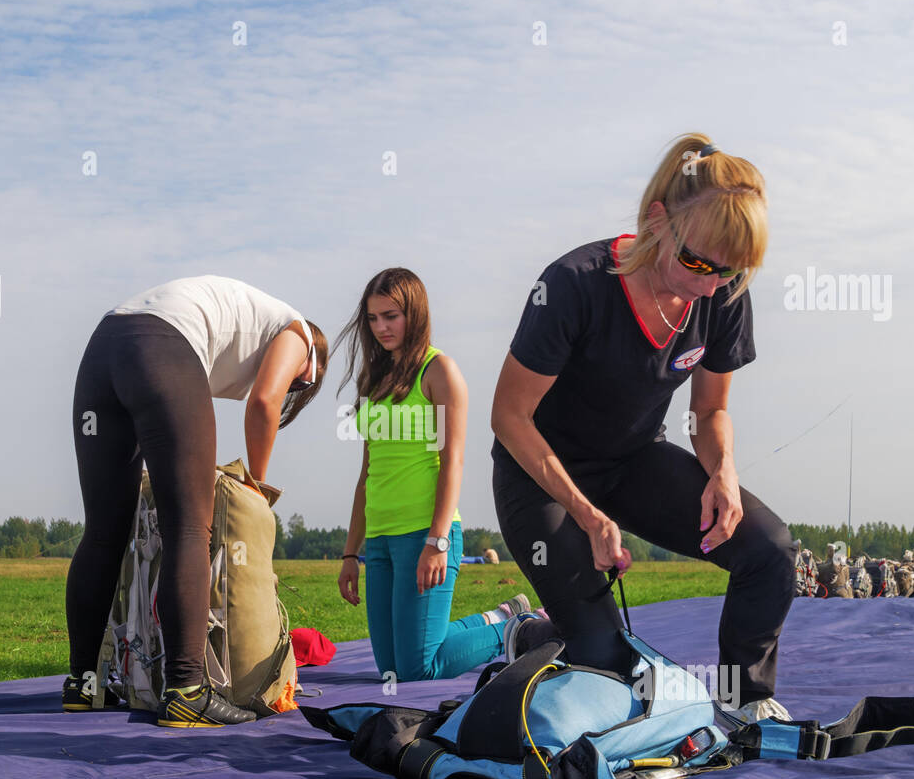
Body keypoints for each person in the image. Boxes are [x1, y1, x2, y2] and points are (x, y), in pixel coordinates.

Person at [489, 133, 797, 724]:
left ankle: (742, 703)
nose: (710, 285)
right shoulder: (574, 284)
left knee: (770, 551)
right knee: (609, 670)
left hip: (632, 462)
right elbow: (509, 417)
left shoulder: (721, 289)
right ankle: (532, 636)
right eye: (697, 263)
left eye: (730, 271)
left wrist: (723, 472)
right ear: (659, 221)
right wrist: (586, 515)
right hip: (542, 476)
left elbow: (708, 412)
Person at [64, 275, 327, 726]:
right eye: (301, 387)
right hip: (162, 347)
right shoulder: (301, 336)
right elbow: (264, 402)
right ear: (311, 370)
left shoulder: (241, 321)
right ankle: (187, 690)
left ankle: (84, 686)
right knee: (188, 527)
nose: (294, 388)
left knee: (104, 531)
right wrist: (258, 488)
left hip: (102, 351)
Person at [335, 268, 530, 682]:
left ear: (415, 313)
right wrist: (352, 553)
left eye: (390, 316)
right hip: (381, 541)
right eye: (372, 319)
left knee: (419, 668)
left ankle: (514, 627)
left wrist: (437, 540)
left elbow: (452, 461)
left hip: (425, 533)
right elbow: (366, 473)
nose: (381, 327)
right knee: (391, 671)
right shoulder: (373, 380)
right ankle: (502, 615)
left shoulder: (439, 371)